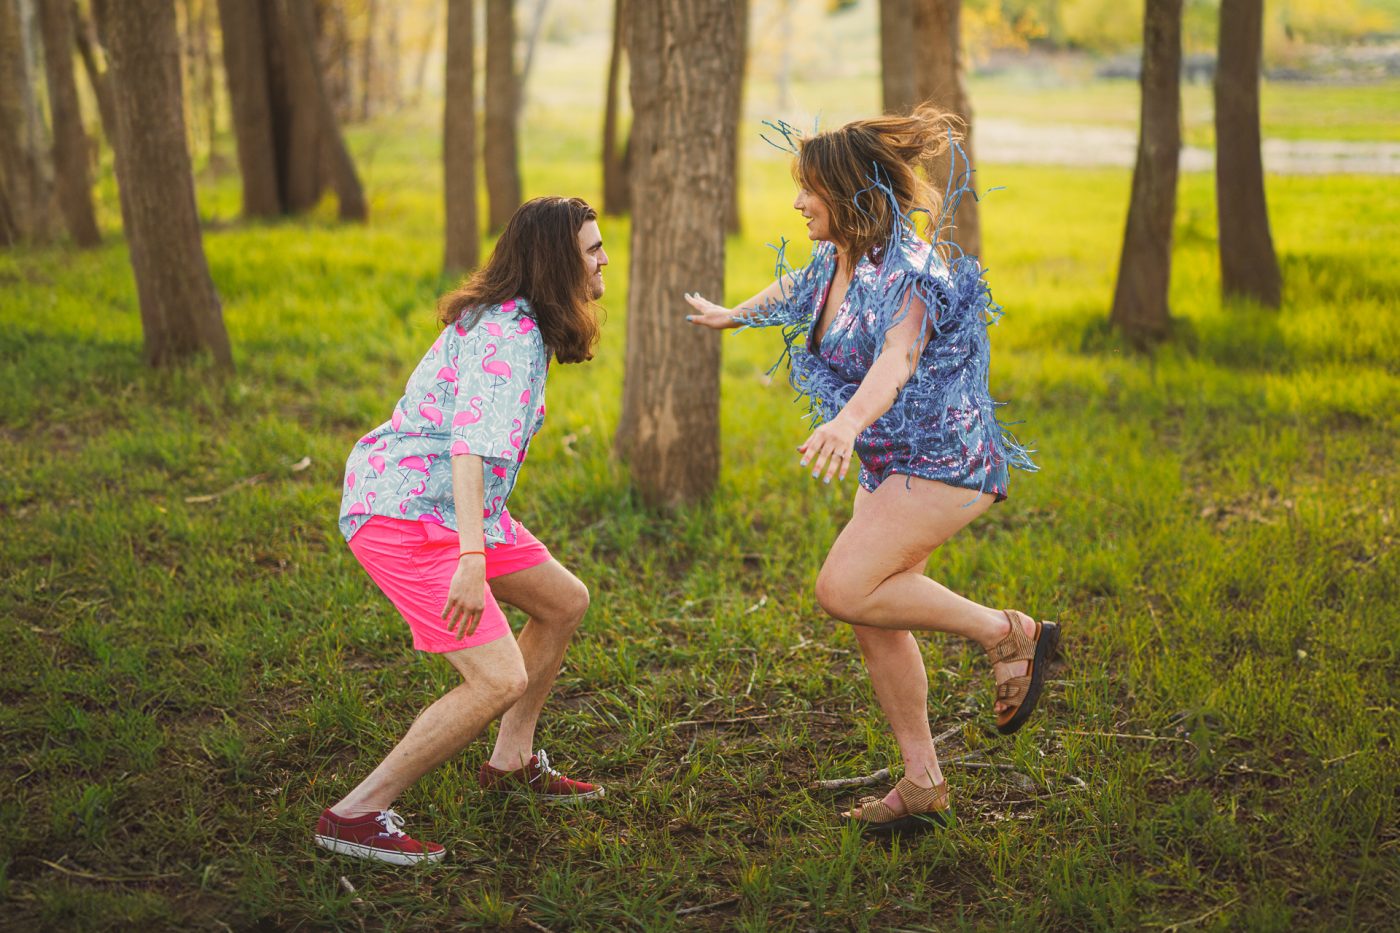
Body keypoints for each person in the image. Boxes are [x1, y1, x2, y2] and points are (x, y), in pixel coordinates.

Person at [685, 105, 1058, 836]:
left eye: (808, 190)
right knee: (872, 610)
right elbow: (797, 291)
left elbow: (897, 358)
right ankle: (922, 781)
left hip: (947, 462)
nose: (796, 203)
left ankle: (1007, 633)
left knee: (845, 586)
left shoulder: (911, 272)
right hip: (895, 465)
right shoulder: (839, 257)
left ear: (851, 193)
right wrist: (734, 315)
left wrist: (846, 421)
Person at [315, 196, 610, 865]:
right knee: (496, 677)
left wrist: (476, 536)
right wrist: (472, 558)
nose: (604, 259)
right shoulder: (507, 332)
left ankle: (512, 760)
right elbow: (469, 447)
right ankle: (354, 813)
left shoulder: (524, 321)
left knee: (564, 602)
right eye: (593, 249)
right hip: (406, 514)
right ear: (559, 260)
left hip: (455, 510)